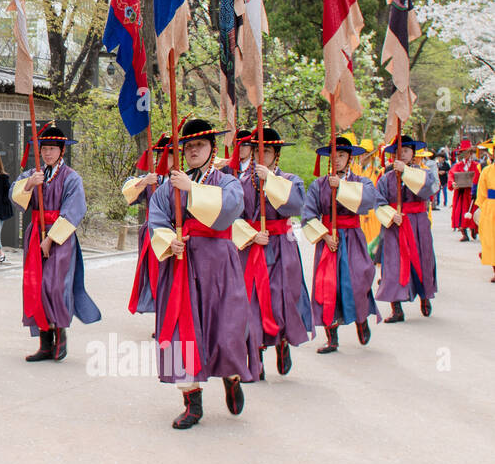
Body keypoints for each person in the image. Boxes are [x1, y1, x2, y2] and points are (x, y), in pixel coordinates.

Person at [147, 118, 256, 430]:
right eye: (189, 145)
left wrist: (192, 189)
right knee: (182, 330)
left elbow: (232, 209)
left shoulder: (228, 182)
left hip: (220, 263)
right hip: (181, 263)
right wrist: (170, 240)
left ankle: (232, 376)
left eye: (200, 145)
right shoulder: (169, 186)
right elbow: (157, 219)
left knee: (227, 326)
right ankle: (191, 401)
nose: (193, 150)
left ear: (211, 150)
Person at [13, 125, 100, 361]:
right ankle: (44, 341)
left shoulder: (71, 177)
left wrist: (51, 239)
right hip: (35, 234)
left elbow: (75, 210)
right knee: (37, 285)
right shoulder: (33, 174)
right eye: (44, 149)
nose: (47, 153)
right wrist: (30, 184)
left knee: (56, 286)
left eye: (52, 149)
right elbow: (16, 195)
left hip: (60, 237)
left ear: (62, 151)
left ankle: (60, 334)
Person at [231, 126, 312, 378]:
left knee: (281, 298)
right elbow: (232, 216)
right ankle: (256, 356)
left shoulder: (290, 180)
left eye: (266, 151)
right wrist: (252, 234)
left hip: (281, 248)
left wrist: (272, 181)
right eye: (257, 150)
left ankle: (283, 341)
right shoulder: (241, 183)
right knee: (252, 302)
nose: (260, 155)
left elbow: (296, 206)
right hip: (252, 248)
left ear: (276, 154)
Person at [301, 136, 381, 354]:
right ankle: (331, 337)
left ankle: (361, 319)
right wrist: (325, 236)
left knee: (358, 281)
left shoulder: (362, 182)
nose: (337, 160)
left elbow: (369, 201)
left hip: (353, 237)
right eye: (334, 156)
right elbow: (308, 215)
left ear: (349, 158)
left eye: (342, 156)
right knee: (329, 286)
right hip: (328, 240)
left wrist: (343, 188)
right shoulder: (319, 185)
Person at [374, 137, 439, 322]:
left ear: (413, 153)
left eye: (405, 151)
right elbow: (378, 202)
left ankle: (425, 296)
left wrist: (407, 173)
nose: (401, 155)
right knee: (393, 264)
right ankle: (396, 308)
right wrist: (389, 214)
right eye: (398, 151)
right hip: (395, 225)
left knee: (423, 261)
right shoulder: (386, 178)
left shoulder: (424, 174)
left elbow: (429, 190)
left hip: (418, 224)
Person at [122, 133, 171, 317]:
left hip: (176, 234)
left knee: (174, 277)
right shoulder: (152, 180)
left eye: (171, 154)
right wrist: (144, 182)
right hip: (153, 234)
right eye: (162, 155)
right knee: (156, 275)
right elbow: (128, 193)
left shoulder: (182, 179)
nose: (165, 159)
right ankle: (160, 316)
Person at [449, 141, 480, 240]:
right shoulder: (458, 165)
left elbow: (480, 177)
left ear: (470, 152)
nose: (465, 154)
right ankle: (464, 233)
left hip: (472, 193)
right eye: (463, 152)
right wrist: (452, 183)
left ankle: (474, 229)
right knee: (460, 213)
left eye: (467, 152)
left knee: (473, 211)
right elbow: (451, 175)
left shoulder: (476, 165)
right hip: (461, 193)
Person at [473, 148, 495, 283]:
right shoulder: (487, 170)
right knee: (491, 240)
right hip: (491, 207)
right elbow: (481, 192)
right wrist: (482, 208)